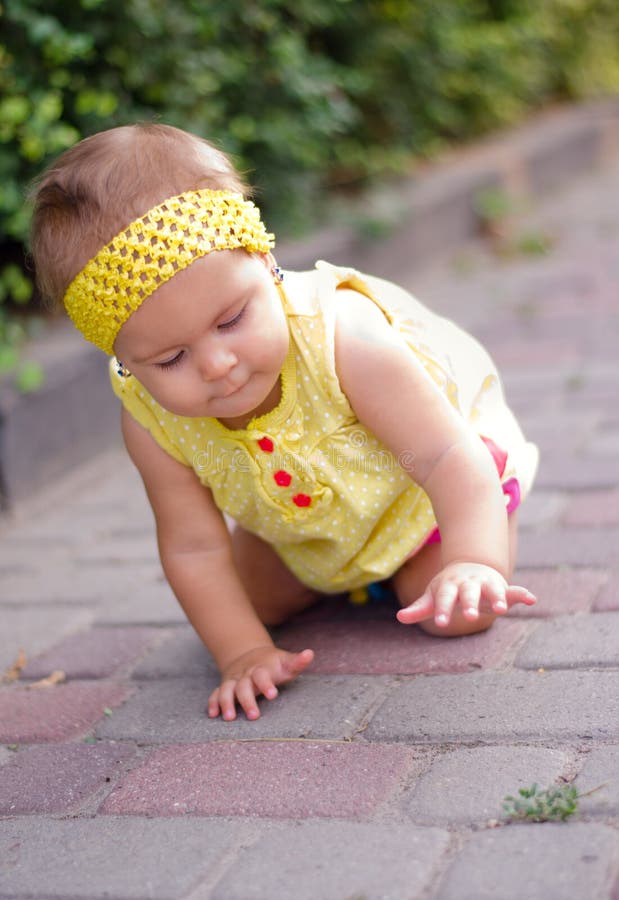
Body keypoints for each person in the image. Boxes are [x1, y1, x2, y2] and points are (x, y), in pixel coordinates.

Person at [30, 123, 539, 721]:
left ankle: (459, 548)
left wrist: (473, 559)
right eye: (171, 359)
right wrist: (241, 652)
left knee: (459, 614)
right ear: (125, 360)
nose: (218, 365)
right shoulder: (149, 419)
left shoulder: (341, 334)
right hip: (302, 535)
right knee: (249, 606)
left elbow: (444, 456)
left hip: (417, 504)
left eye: (231, 319)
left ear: (265, 260)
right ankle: (332, 572)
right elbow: (193, 547)